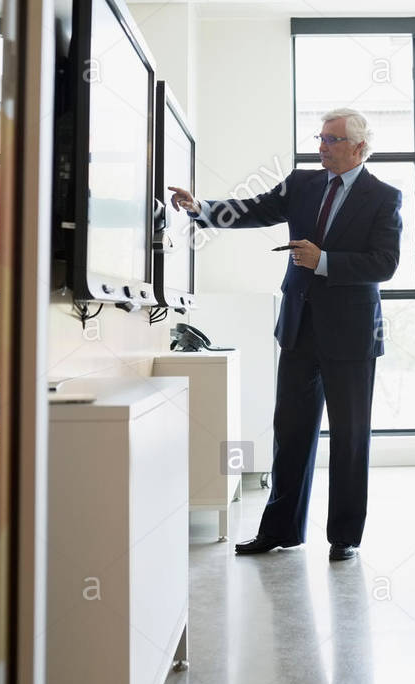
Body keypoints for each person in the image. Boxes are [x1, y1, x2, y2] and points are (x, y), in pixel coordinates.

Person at [170, 109, 401, 562]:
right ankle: (280, 530)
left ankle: (344, 537)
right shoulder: (301, 184)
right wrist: (203, 209)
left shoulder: (383, 196)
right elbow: (254, 210)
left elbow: (385, 264)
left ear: (359, 147)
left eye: (332, 140)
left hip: (352, 335)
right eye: (320, 137)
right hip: (299, 328)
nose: (322, 146)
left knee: (351, 438)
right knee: (290, 433)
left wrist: (326, 261)